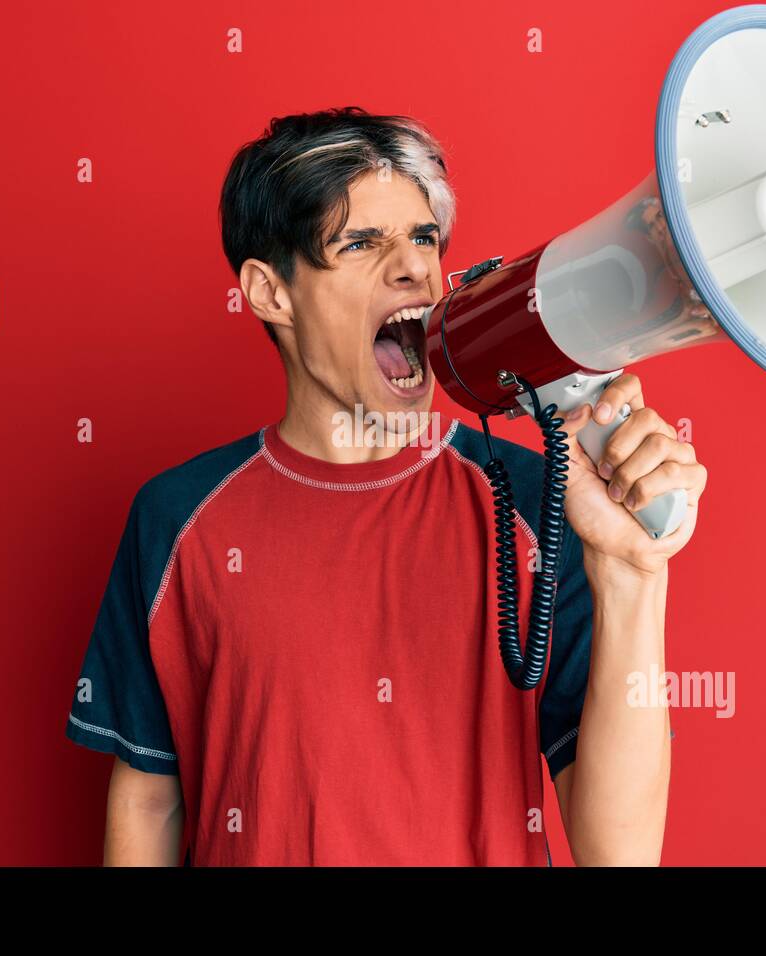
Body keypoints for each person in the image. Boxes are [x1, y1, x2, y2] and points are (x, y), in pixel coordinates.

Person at [64, 106, 707, 866]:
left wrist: (635, 577)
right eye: (362, 242)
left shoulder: (542, 504)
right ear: (270, 292)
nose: (415, 269)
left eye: (424, 237)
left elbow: (620, 856)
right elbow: (147, 800)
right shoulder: (176, 519)